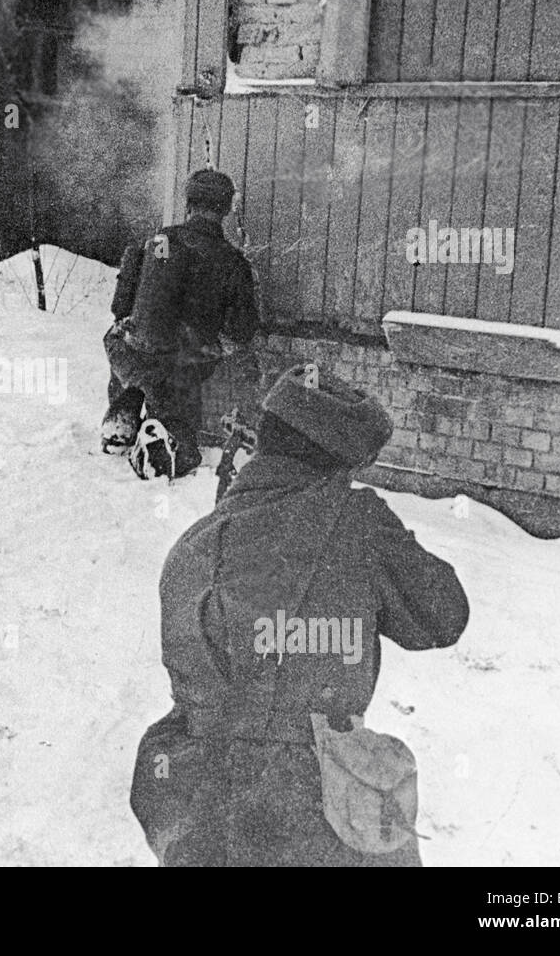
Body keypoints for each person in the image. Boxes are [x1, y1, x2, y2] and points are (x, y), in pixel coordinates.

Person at [129, 366, 469, 866]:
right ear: (335, 466)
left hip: (198, 813)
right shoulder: (356, 523)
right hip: (321, 811)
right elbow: (444, 616)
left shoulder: (190, 547)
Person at [101, 169, 259, 479]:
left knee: (121, 344)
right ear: (225, 210)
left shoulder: (158, 241)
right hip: (186, 365)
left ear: (188, 203)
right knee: (181, 429)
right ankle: (164, 441)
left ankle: (125, 414)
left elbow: (119, 307)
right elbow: (243, 329)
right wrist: (215, 345)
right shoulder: (234, 261)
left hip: (135, 354)